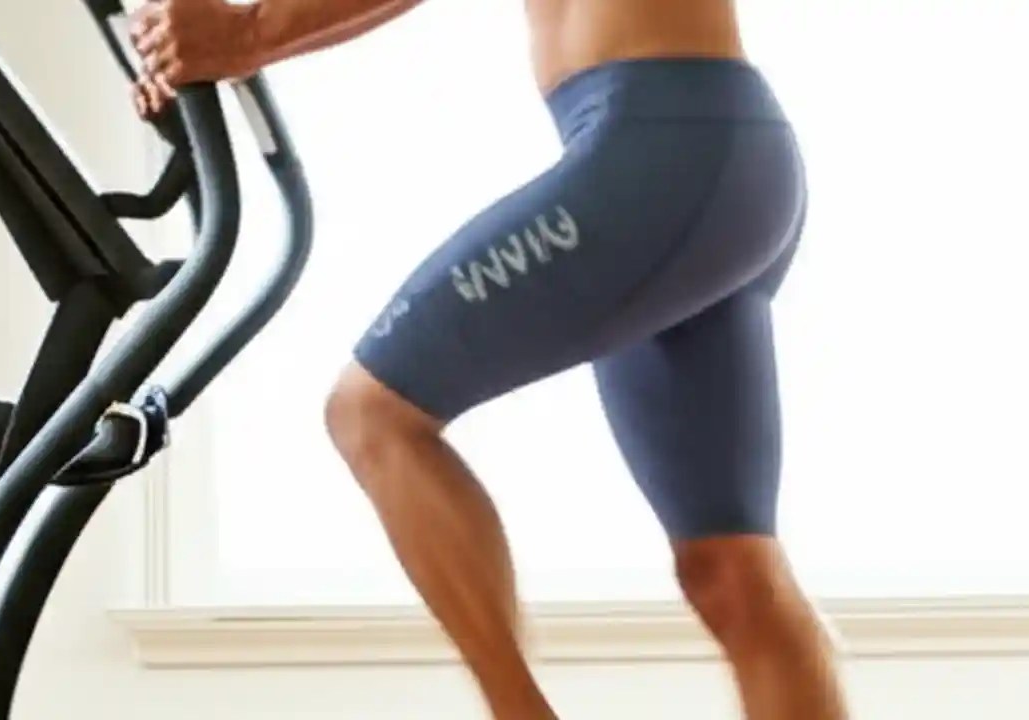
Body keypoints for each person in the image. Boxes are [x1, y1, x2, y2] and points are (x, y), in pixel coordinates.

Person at [130, 1, 848, 718]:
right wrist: (210, 45)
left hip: (664, 149)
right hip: (707, 155)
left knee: (370, 413)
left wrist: (245, 34)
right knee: (730, 573)